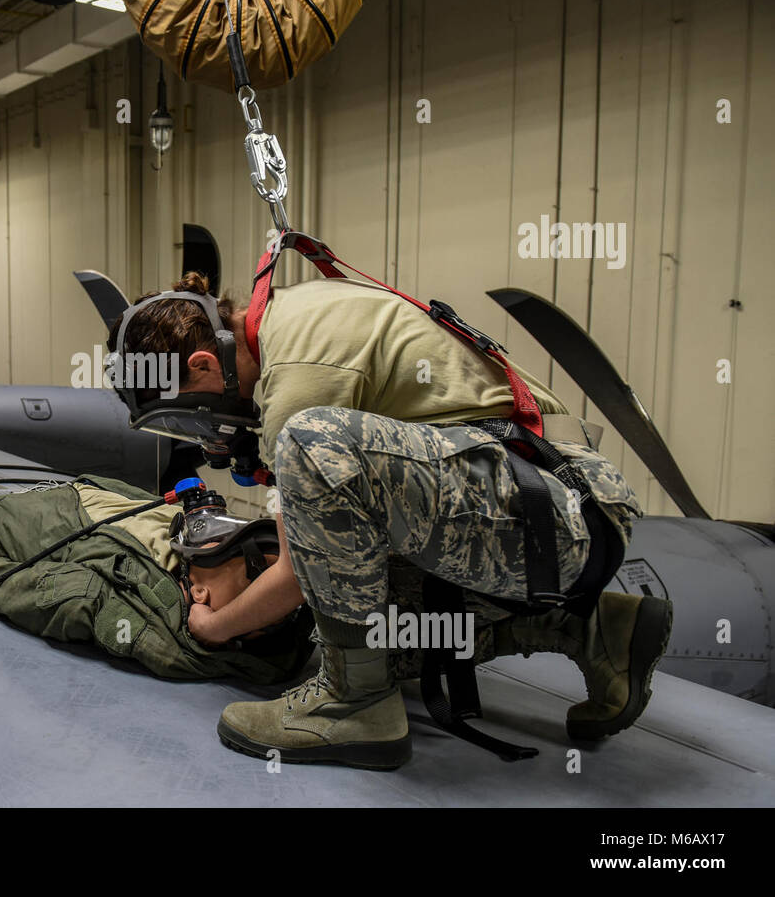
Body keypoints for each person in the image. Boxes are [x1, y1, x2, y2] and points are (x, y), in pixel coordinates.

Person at [108, 270, 672, 769]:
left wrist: (214, 626)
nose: (202, 432)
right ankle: (594, 629)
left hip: (557, 509)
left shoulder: (296, 377)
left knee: (309, 447)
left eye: (188, 410)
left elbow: (298, 576)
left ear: (204, 363)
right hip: (552, 508)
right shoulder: (288, 318)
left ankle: (355, 705)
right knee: (375, 633)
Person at [0, 476, 317, 683]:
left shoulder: (139, 616)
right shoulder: (189, 549)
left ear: (201, 595)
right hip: (93, 493)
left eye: (250, 566)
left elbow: (48, 593)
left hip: (13, 521)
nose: (226, 538)